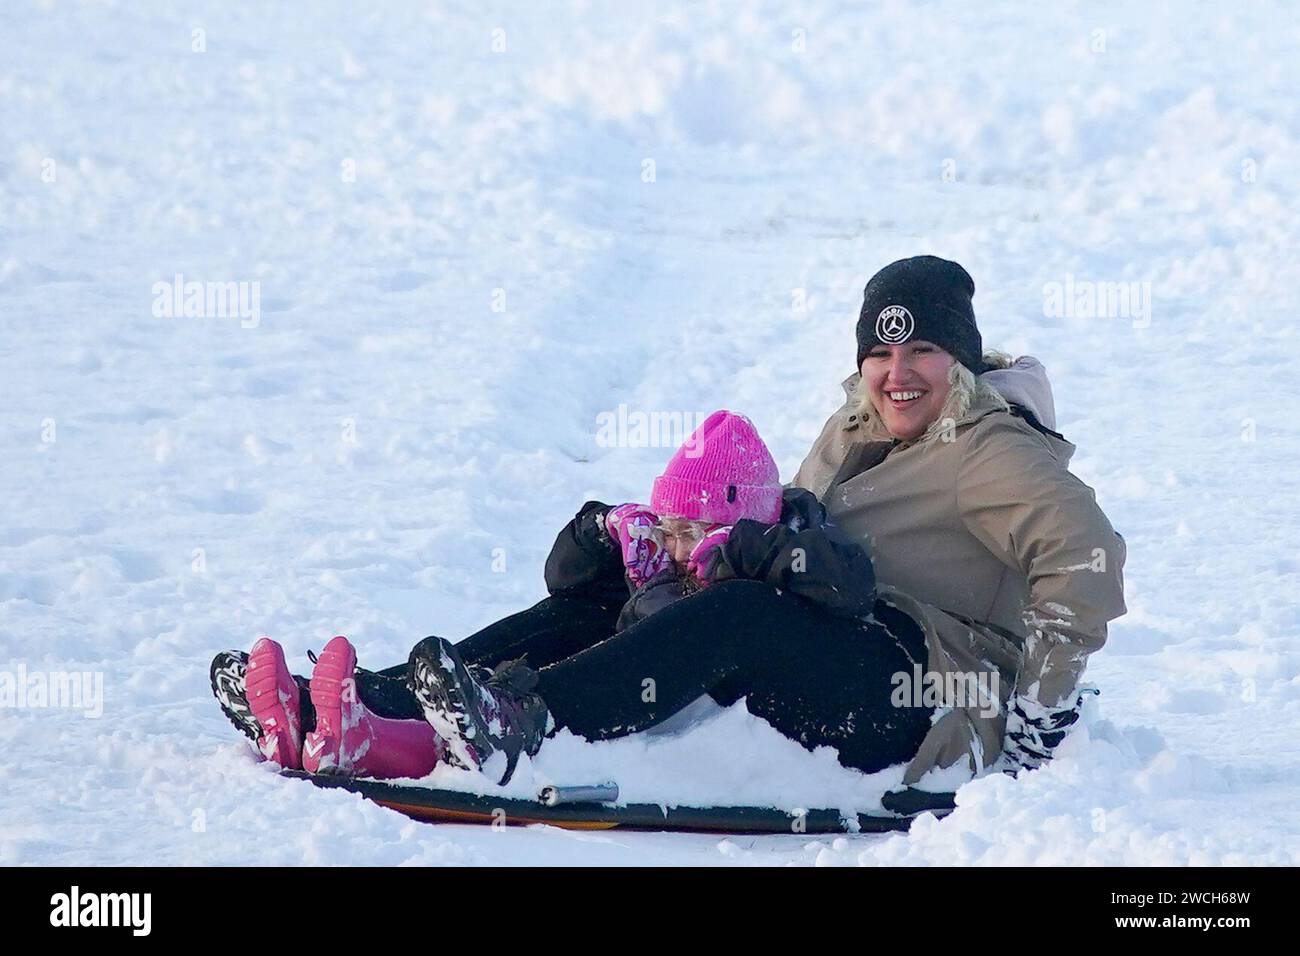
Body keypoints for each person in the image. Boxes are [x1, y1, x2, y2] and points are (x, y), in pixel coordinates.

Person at [407, 256, 1127, 787]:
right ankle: (398, 701)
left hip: (929, 694)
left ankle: (532, 728)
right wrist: (677, 545)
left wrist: (1041, 706)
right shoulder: (857, 426)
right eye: (880, 352)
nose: (897, 372)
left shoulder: (987, 447)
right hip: (845, 643)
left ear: (960, 363)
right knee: (614, 594)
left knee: (746, 612)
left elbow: (1088, 554)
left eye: (922, 351)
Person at [212, 411, 925, 782]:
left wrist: (743, 553)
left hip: (848, 712)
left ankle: (524, 718)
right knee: (583, 611)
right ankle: (363, 703)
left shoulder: (796, 543)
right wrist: (605, 531)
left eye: (698, 532)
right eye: (672, 528)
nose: (681, 548)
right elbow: (564, 584)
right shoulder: (671, 560)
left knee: (731, 606)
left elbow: (848, 587)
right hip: (714, 663)